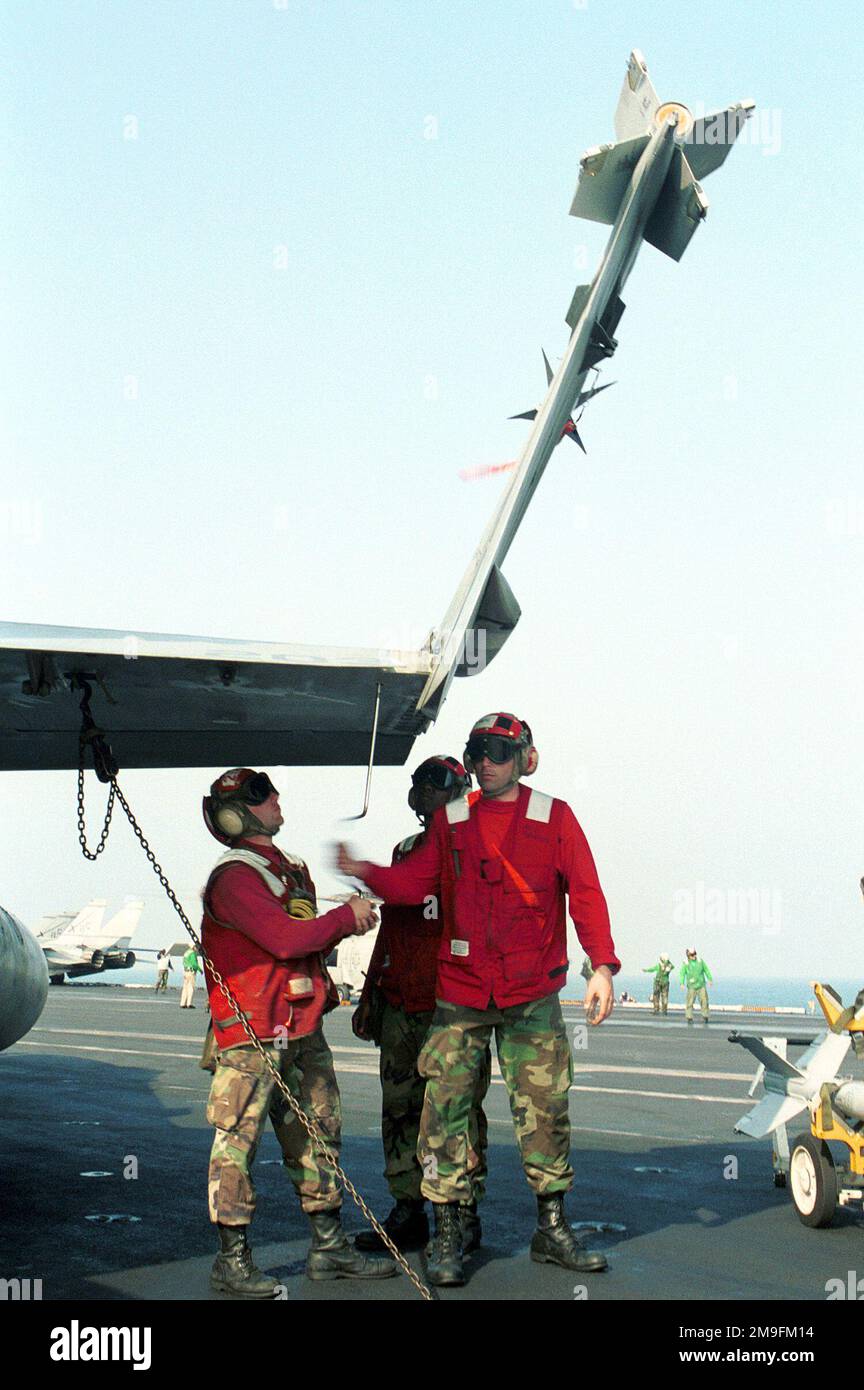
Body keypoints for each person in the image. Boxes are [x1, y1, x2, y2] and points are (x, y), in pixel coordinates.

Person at [337, 712, 620, 1287]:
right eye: (477, 751)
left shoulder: (554, 816)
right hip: (462, 998)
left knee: (544, 1111)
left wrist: (603, 966)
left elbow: (586, 891)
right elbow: (414, 883)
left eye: (497, 750)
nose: (486, 761)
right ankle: (447, 1235)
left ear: (525, 759)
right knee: (444, 1116)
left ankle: (552, 1228)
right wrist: (363, 870)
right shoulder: (454, 822)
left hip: (531, 994)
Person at [201, 767, 397, 1297]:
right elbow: (284, 938)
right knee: (237, 1142)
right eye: (263, 795)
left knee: (319, 1132)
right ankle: (232, 1259)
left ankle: (328, 1246)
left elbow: (304, 935)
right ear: (237, 814)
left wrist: (347, 921)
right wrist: (345, 918)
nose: (277, 798)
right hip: (252, 1033)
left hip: (299, 1027)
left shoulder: (290, 870)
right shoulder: (236, 877)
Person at [352, 756, 491, 1257]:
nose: (423, 791)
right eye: (419, 784)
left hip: (452, 1009)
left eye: (434, 783)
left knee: (457, 1112)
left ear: (457, 789)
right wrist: (370, 996)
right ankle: (408, 1208)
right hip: (400, 1007)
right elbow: (391, 930)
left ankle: (460, 1213)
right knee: (400, 1109)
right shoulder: (406, 851)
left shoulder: (476, 846)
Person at [680, 948, 712, 1023]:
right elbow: (682, 974)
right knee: (690, 1002)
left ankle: (705, 1016)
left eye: (695, 954)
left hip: (701, 985)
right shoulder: (686, 964)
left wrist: (709, 979)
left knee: (704, 1001)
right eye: (692, 955)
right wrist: (682, 983)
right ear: (688, 955)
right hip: (691, 986)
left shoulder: (700, 961)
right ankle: (689, 1017)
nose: (694, 956)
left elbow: (706, 970)